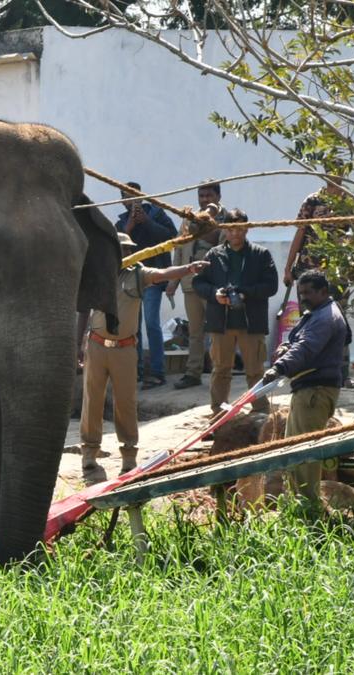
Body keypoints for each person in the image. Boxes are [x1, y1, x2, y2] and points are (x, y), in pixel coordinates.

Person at [78, 232, 210, 484]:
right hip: (96, 345)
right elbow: (83, 308)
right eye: (119, 250)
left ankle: (128, 455)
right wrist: (77, 344)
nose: (124, 255)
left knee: (125, 403)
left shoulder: (138, 274)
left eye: (127, 250)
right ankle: (89, 454)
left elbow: (162, 274)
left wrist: (187, 268)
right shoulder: (97, 272)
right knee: (91, 401)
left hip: (125, 349)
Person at [260, 270, 351, 504]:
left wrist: (279, 367)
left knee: (304, 453)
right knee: (295, 450)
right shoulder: (316, 314)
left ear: (323, 291)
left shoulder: (326, 317)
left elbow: (306, 348)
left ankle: (309, 507)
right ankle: (301, 504)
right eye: (300, 293)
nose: (303, 298)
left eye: (308, 293)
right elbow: (295, 341)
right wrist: (285, 350)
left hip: (315, 392)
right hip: (307, 390)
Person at [192, 211, 278, 415]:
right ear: (224, 230)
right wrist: (215, 294)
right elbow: (198, 283)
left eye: (240, 228)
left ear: (247, 228)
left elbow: (271, 286)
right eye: (231, 229)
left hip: (251, 323)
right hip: (221, 323)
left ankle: (261, 413)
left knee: (255, 371)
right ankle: (219, 414)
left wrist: (246, 293)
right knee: (221, 371)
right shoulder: (214, 254)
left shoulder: (260, 254)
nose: (235, 233)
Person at [283, 178, 354, 387]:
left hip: (338, 272)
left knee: (339, 322)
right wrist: (288, 267)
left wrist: (352, 263)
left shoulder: (352, 203)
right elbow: (300, 232)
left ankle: (342, 374)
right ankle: (306, 371)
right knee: (309, 323)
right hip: (309, 270)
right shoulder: (313, 200)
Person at [167, 181, 233, 389]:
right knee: (195, 332)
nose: (204, 200)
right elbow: (179, 250)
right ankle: (193, 373)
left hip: (214, 283)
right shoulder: (190, 218)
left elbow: (225, 246)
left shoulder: (227, 218)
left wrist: (206, 223)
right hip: (190, 282)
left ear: (218, 196)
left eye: (209, 195)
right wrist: (173, 281)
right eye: (201, 196)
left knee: (217, 329)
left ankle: (219, 372)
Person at [114, 181, 178, 389]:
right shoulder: (121, 222)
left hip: (153, 277)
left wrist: (147, 222)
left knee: (151, 324)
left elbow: (171, 236)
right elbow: (116, 246)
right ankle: (137, 371)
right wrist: (131, 226)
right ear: (122, 200)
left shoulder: (157, 213)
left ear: (141, 196)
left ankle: (158, 373)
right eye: (126, 196)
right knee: (134, 327)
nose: (130, 200)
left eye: (133, 195)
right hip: (130, 279)